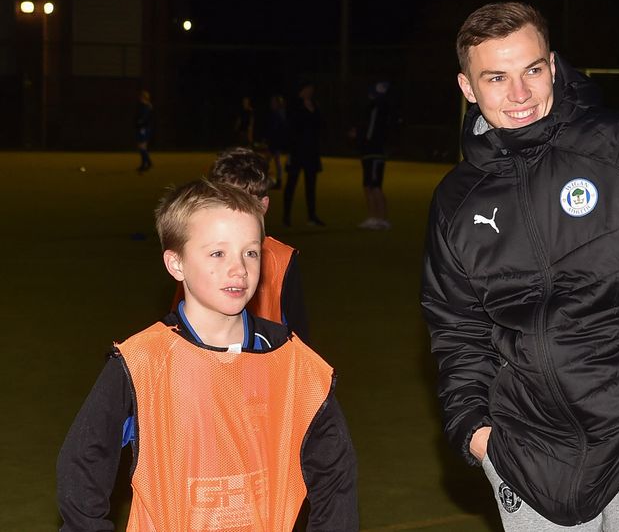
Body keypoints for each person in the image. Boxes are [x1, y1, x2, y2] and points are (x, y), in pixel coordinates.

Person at [420, 2, 619, 530]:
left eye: (532, 70)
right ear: (467, 87)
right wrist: (478, 434)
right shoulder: (456, 201)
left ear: (552, 64)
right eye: (496, 78)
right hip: (526, 453)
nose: (519, 94)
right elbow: (455, 329)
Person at [56, 179, 358, 531]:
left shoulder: (295, 365)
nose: (239, 269)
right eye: (218, 253)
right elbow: (82, 465)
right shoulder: (142, 363)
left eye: (251, 252)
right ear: (176, 263)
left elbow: (336, 475)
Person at [170, 147, 311, 341]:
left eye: (245, 202)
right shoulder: (197, 252)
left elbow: (298, 337)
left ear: (263, 205)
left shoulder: (283, 259)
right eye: (226, 201)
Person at [355, 81, 396, 230]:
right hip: (373, 151)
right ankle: (374, 217)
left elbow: (371, 130)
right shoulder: (383, 108)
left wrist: (363, 140)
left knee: (374, 185)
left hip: (373, 151)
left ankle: (380, 218)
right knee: (369, 185)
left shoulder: (377, 108)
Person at [284, 81, 325, 227]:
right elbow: (290, 129)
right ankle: (286, 216)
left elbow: (319, 126)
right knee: (291, 184)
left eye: (311, 89)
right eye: (307, 89)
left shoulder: (315, 105)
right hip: (297, 151)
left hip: (312, 152)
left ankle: (312, 216)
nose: (309, 91)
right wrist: (290, 150)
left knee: (311, 185)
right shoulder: (295, 106)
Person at [263, 94, 289, 190]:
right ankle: (275, 181)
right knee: (270, 162)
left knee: (270, 162)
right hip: (274, 141)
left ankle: (274, 181)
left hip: (275, 142)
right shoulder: (276, 113)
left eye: (274, 102)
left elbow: (278, 129)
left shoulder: (279, 114)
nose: (272, 104)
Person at [135, 90, 153, 173]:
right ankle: (147, 163)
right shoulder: (145, 106)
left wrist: (140, 122)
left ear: (144, 98)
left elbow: (144, 119)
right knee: (142, 147)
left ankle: (145, 164)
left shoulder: (146, 107)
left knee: (142, 147)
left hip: (144, 129)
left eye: (141, 97)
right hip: (143, 128)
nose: (140, 98)